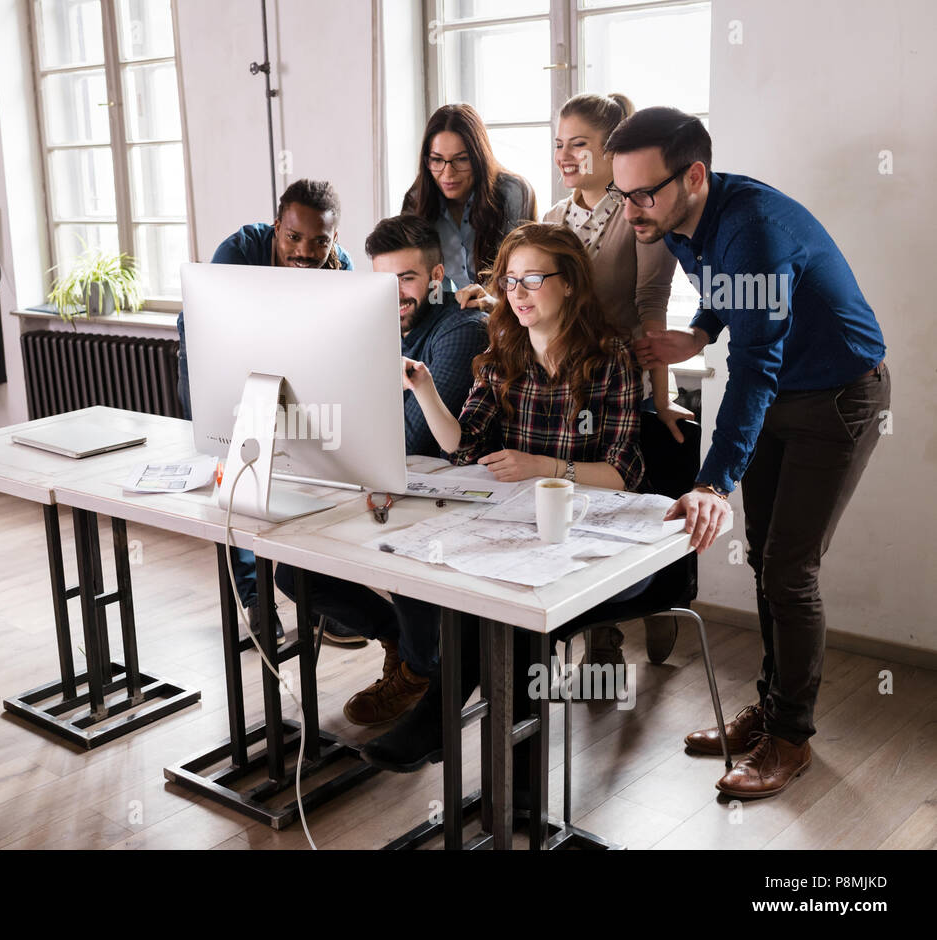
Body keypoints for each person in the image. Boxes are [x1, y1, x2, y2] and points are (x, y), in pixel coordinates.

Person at [604, 107, 889, 799]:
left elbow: (756, 365)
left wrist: (712, 483)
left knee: (789, 570)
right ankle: (771, 708)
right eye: (621, 194)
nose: (631, 211)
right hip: (784, 391)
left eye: (644, 193)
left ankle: (789, 739)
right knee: (764, 557)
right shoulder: (678, 222)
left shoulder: (752, 230)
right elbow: (729, 292)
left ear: (694, 175)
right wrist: (699, 334)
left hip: (838, 396)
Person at [361, 221, 648, 773]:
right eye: (509, 280)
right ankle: (495, 772)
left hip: (591, 530)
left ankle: (458, 737)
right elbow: (462, 447)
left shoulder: (609, 357)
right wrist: (421, 384)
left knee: (507, 616)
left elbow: (622, 474)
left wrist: (544, 467)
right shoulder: (501, 353)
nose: (516, 292)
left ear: (570, 285)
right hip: (514, 525)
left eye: (533, 279)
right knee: (451, 583)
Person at [461, 92, 689, 669]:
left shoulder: (639, 214)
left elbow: (651, 305)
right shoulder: (558, 217)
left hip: (617, 372)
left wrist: (659, 399)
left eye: (579, 144)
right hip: (559, 371)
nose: (565, 155)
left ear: (611, 152)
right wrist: (496, 298)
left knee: (620, 489)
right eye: (558, 144)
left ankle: (635, 608)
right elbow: (535, 287)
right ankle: (597, 631)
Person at [273, 214, 488, 726]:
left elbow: (416, 440)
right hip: (386, 486)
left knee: (401, 562)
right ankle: (398, 639)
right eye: (382, 282)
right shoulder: (385, 325)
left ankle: (419, 668)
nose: (394, 295)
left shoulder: (461, 331)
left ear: (437, 276)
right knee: (293, 571)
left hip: (448, 499)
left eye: (407, 279)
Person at [176, 179, 355, 640]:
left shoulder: (341, 268)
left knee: (309, 471)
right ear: (277, 228)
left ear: (335, 238)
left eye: (320, 240)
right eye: (293, 237)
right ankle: (256, 599)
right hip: (214, 352)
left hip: (291, 357)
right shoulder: (237, 253)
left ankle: (314, 597)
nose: (305, 250)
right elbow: (218, 335)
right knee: (240, 473)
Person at [402, 103, 536, 297]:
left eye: (461, 159)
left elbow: (523, 276)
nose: (448, 173)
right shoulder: (417, 201)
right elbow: (422, 286)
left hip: (509, 310)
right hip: (452, 314)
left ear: (479, 158)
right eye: (437, 160)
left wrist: (489, 304)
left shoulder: (514, 193)